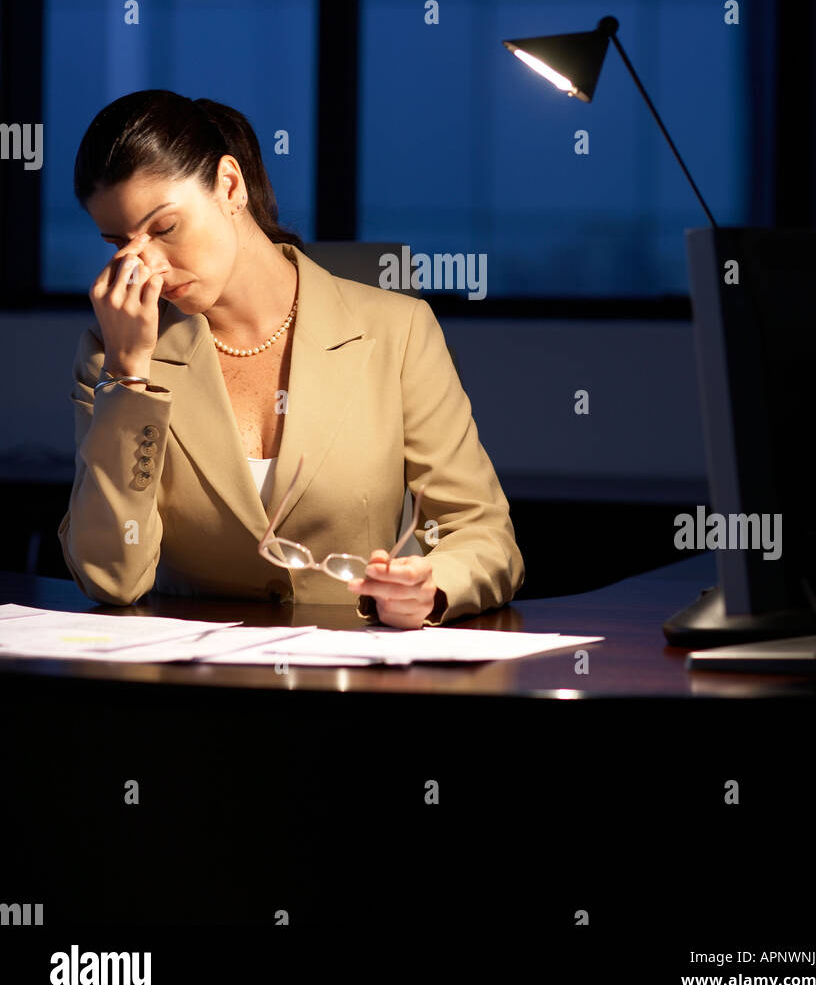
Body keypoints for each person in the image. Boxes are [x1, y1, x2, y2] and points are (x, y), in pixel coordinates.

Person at [58, 90, 525, 628]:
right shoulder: (115, 354)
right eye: (120, 243)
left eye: (165, 229)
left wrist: (432, 588)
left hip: (356, 683)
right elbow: (109, 578)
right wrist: (129, 377)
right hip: (191, 690)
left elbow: (483, 536)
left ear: (229, 186)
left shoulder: (395, 331)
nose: (148, 267)